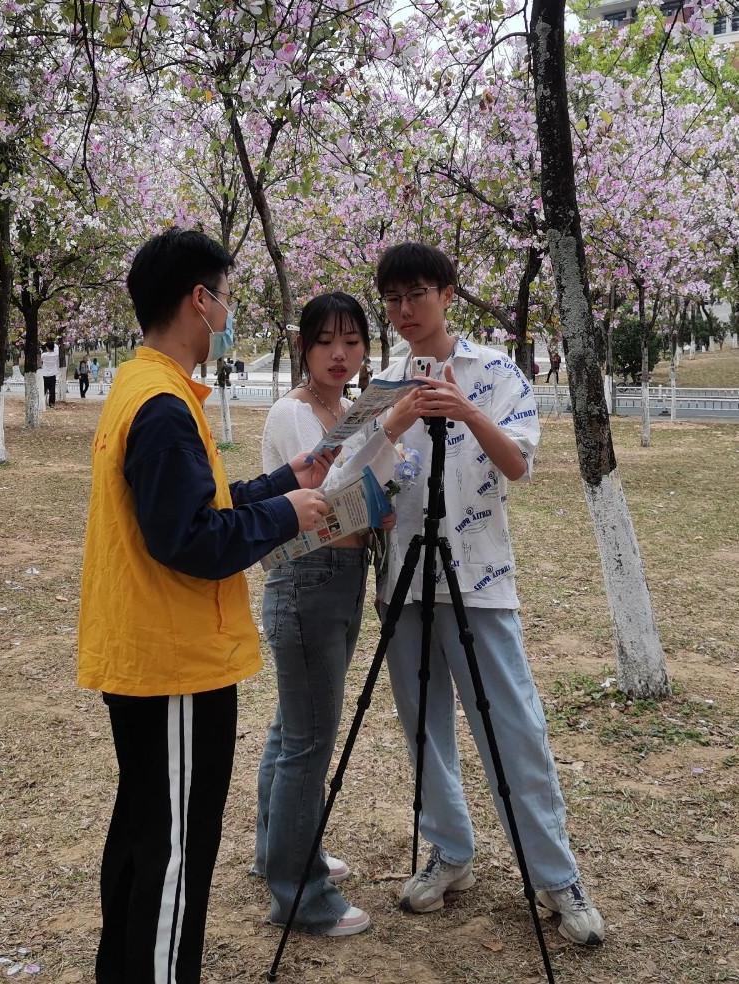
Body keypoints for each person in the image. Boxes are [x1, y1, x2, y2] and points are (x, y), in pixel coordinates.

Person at [77, 227, 335, 984]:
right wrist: (290, 515)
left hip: (152, 656)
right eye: (225, 296)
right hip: (175, 668)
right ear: (199, 300)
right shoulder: (162, 406)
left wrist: (284, 482)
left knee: (145, 831)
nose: (228, 311)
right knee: (173, 852)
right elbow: (190, 538)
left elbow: (197, 504)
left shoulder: (144, 386)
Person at [374, 242, 605, 947]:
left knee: (514, 727)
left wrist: (467, 412)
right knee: (423, 727)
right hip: (404, 577)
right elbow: (360, 473)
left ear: (447, 294)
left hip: (479, 578)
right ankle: (450, 850)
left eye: (417, 294)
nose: (404, 311)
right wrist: (389, 425)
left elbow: (518, 465)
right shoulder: (385, 380)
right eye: (392, 299)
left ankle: (555, 875)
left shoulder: (498, 371)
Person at [253, 291, 420, 937]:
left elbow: (366, 487)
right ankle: (300, 896)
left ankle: (278, 854)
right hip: (308, 576)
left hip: (338, 576)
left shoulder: (346, 410)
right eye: (325, 341)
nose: (340, 354)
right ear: (303, 347)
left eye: (352, 341)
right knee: (308, 740)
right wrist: (388, 431)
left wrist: (379, 499)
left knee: (291, 730)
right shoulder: (294, 412)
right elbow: (326, 493)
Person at [41, 340, 59, 408]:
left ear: (47, 347)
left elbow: (41, 360)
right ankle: (52, 404)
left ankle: (42, 403)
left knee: (44, 390)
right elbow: (56, 347)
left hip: (45, 375)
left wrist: (43, 343)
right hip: (52, 375)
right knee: (52, 391)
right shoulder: (55, 355)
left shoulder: (44, 355)